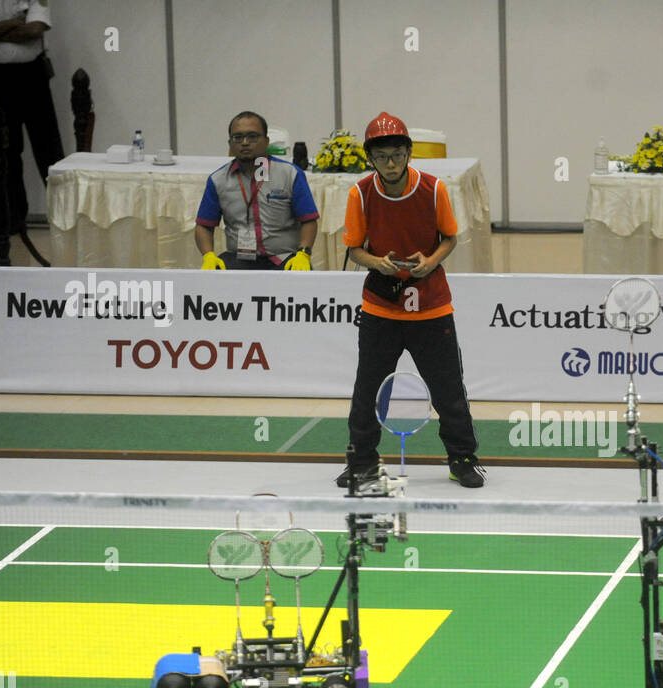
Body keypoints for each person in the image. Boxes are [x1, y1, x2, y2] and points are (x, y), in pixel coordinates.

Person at [336, 112, 483, 489]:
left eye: (397, 155)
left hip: (432, 306)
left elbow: (449, 237)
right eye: (382, 156)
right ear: (370, 157)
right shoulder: (360, 193)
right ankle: (362, 460)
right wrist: (378, 263)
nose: (390, 163)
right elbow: (354, 249)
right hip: (380, 308)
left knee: (448, 388)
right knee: (367, 389)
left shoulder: (434, 189)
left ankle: (462, 458)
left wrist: (430, 262)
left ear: (409, 154)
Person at [0, 0, 66, 235]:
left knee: (49, 153)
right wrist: (13, 24)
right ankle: (11, 222)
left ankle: (65, 220)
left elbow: (34, 30)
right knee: (5, 154)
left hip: (33, 78)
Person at [195, 112, 318, 270]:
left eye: (252, 136)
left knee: (302, 277)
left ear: (266, 141)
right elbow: (204, 225)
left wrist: (303, 253)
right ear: (230, 143)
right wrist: (208, 255)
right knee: (213, 279)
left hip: (284, 258)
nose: (245, 142)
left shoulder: (290, 174)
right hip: (238, 259)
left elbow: (308, 220)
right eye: (237, 137)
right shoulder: (218, 180)